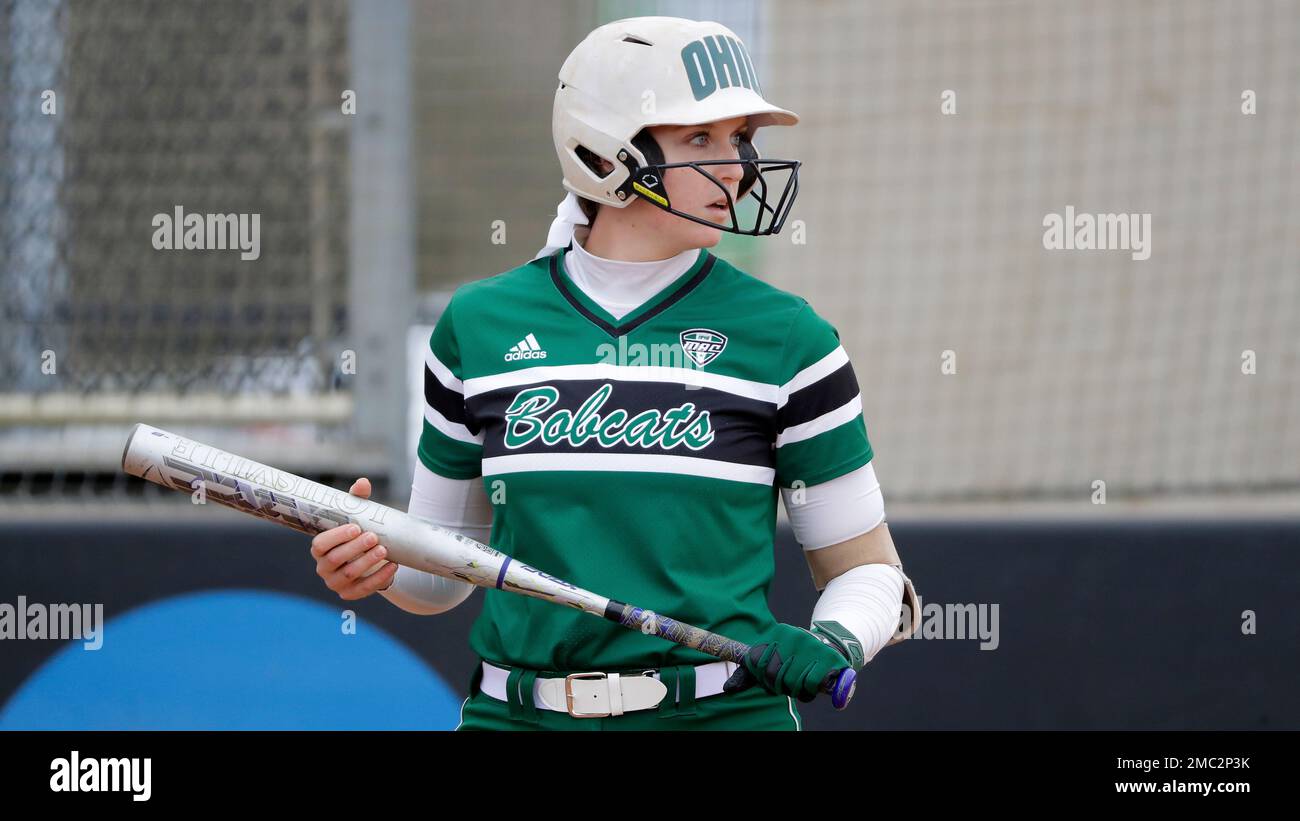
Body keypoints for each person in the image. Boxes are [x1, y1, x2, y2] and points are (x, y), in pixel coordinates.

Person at [308, 15, 919, 730]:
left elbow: (870, 569)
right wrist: (379, 566)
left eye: (741, 139)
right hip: (519, 718)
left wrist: (835, 640)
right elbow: (443, 572)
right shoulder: (477, 328)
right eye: (700, 139)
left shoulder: (790, 338)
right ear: (605, 151)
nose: (737, 167)